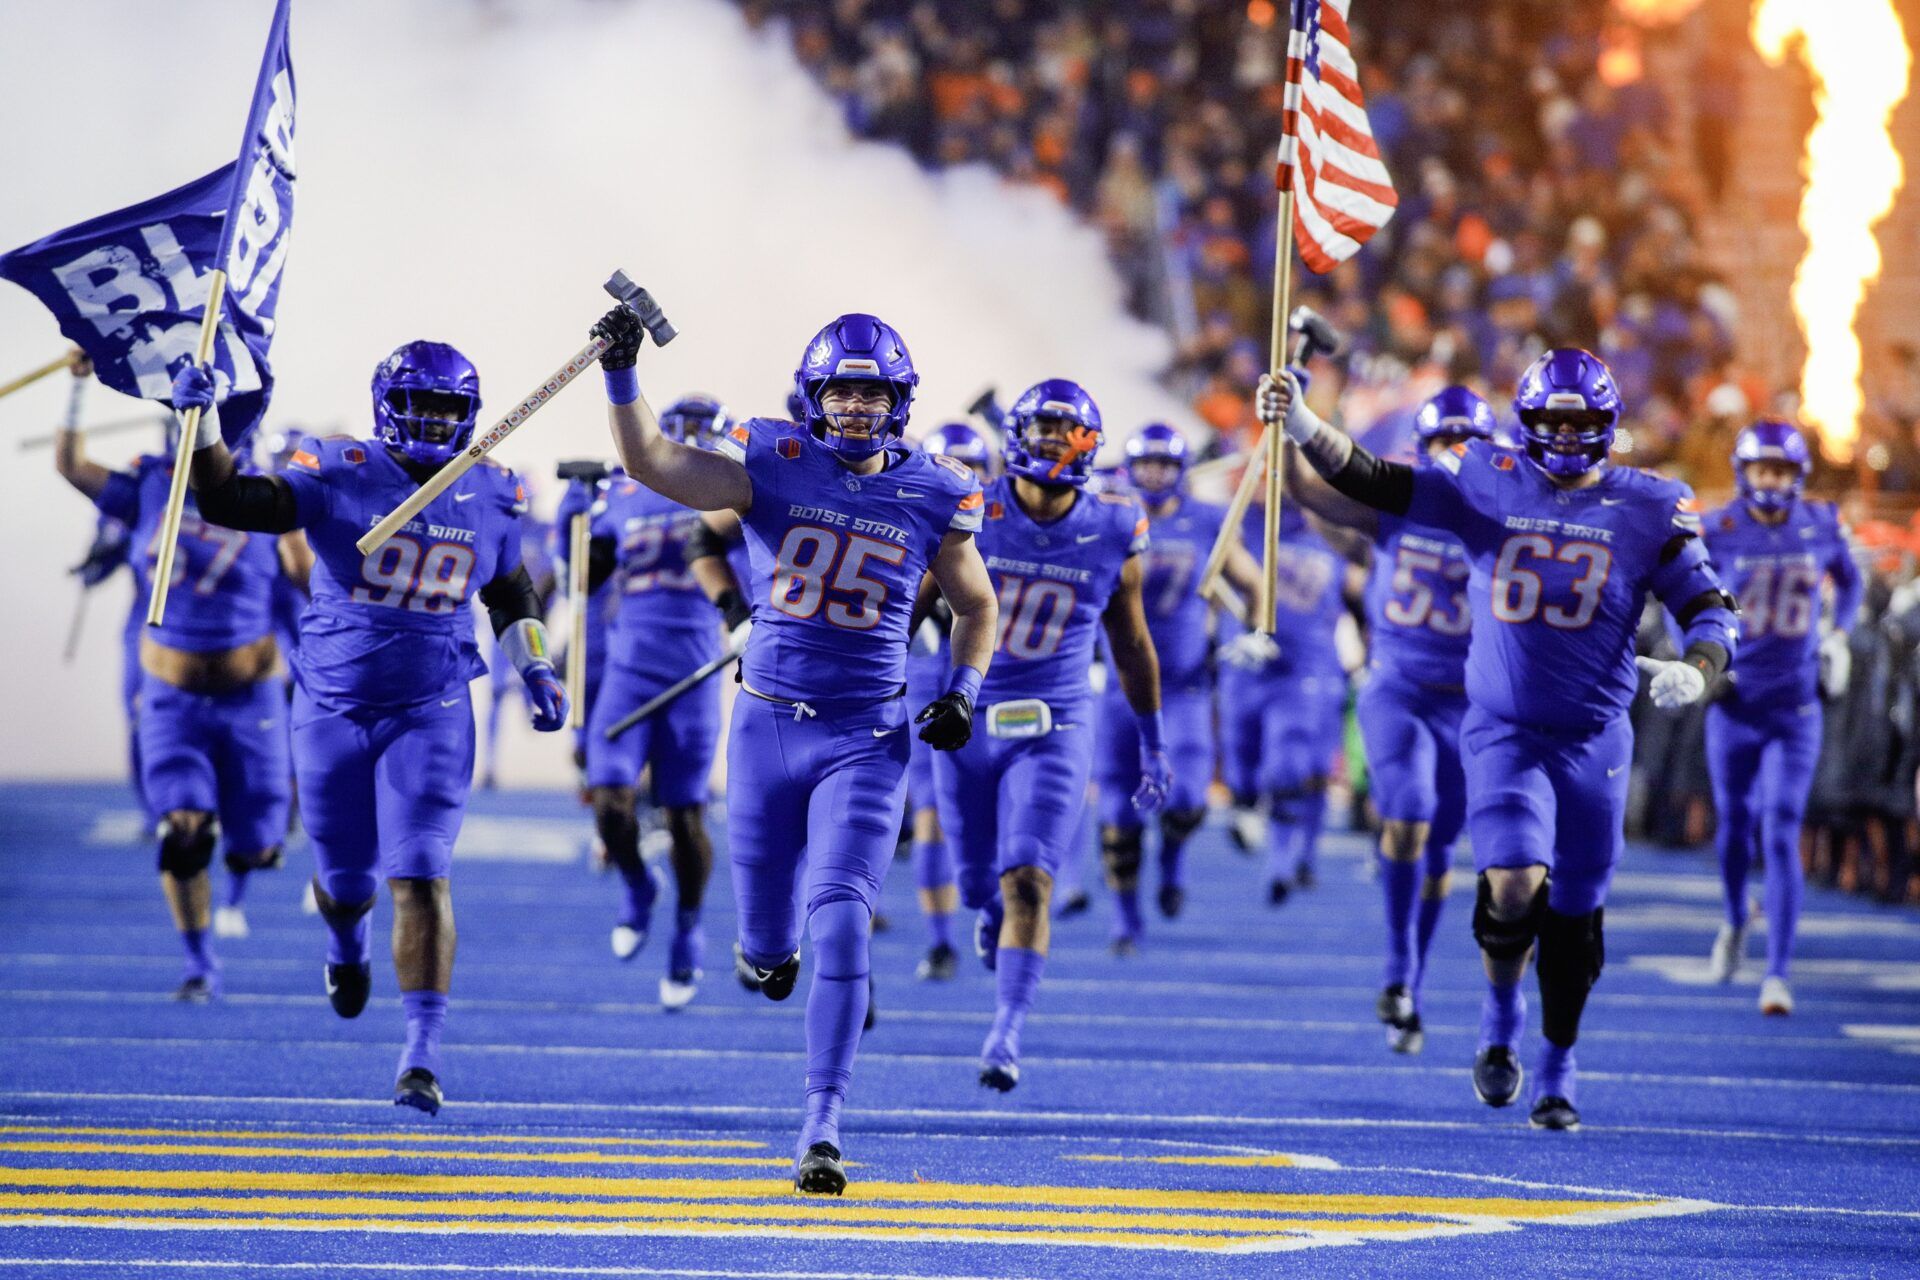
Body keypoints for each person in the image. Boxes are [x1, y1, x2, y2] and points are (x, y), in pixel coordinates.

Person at [1260, 347, 1739, 1130]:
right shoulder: (1487, 478)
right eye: (1552, 418)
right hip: (1505, 733)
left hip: (1595, 738)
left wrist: (1703, 666)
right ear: (1526, 419)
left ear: (1608, 424)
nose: (1565, 434)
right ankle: (1500, 1017)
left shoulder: (1652, 504)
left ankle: (1559, 1061)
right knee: (1513, 883)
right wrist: (1306, 422)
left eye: (1580, 421)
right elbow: (1374, 482)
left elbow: (1710, 604)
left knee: (1577, 915)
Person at [591, 306, 998, 1194]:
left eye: (873, 393)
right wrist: (623, 379)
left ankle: (822, 1124)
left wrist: (962, 691)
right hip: (768, 724)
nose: (856, 409)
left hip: (869, 732)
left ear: (900, 400)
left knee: (844, 916)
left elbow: (976, 605)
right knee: (770, 952)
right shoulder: (772, 462)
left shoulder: (936, 489)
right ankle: (767, 957)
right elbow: (651, 462)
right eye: (843, 391)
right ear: (816, 397)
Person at [174, 340, 568, 1115]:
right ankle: (344, 943)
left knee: (420, 874)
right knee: (347, 884)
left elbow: (511, 592)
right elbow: (233, 503)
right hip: (331, 705)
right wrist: (205, 427)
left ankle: (422, 1052)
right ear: (388, 406)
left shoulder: (489, 489)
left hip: (434, 708)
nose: (432, 419)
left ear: (469, 417)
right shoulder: (341, 468)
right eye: (419, 404)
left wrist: (536, 666)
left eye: (448, 409)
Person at [932, 378, 1171, 1088]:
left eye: (1065, 433)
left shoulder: (1115, 526)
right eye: (1040, 430)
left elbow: (1130, 642)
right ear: (1016, 436)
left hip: (1057, 717)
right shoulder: (975, 506)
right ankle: (984, 914)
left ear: (1089, 446)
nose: (1050, 444)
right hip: (969, 713)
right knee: (978, 881)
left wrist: (1153, 739)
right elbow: (912, 605)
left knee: (1030, 878)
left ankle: (1006, 1033)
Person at [54, 365, 308, 1000]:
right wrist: (78, 384)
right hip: (170, 697)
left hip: (251, 700)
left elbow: (309, 582)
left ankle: (248, 857)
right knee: (184, 830)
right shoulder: (150, 486)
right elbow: (71, 464)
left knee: (257, 844)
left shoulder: (267, 495)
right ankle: (200, 964)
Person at [1285, 386, 1493, 1055]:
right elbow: (1314, 496)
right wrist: (1287, 429)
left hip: (1471, 701)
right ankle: (1399, 966)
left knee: (1439, 851)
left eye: (1467, 441)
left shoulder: (1503, 518)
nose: (1454, 455)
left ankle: (1411, 980)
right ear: (1420, 447)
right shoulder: (1397, 506)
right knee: (1408, 814)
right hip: (1398, 689)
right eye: (1443, 441)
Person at [578, 395, 735, 1009]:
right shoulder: (623, 495)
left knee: (684, 816)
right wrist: (578, 524)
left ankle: (689, 929)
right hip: (629, 667)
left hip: (696, 670)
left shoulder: (735, 496)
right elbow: (583, 580)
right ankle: (638, 886)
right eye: (682, 432)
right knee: (610, 804)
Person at [1699, 420, 1860, 1015]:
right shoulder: (1719, 528)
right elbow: (1677, 593)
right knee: (1736, 824)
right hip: (1735, 702)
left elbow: (1850, 581)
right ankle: (1738, 918)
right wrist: (1698, 660)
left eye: (1782, 471)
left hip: (1795, 704)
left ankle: (1777, 972)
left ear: (1798, 476)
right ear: (1745, 473)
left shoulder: (1818, 524)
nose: (1771, 480)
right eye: (1763, 469)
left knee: (1782, 825)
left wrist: (1840, 635)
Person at [1093, 423, 1262, 943]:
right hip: (1121, 686)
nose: (1154, 474)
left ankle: (1171, 860)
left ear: (1182, 470)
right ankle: (1127, 921)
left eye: (1165, 465)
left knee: (1187, 801)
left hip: (1183, 688)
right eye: (1146, 464)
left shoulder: (1205, 521)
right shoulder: (1106, 516)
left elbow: (1254, 585)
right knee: (1118, 819)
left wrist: (1253, 631)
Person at [1216, 496, 1355, 905]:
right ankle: (1245, 810)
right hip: (1248, 665)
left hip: (1307, 671)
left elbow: (1363, 592)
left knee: (1296, 769)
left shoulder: (1336, 536)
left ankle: (1288, 861)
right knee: (1241, 765)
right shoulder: (1249, 520)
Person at [904, 421, 1000, 981]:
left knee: (991, 812)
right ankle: (940, 942)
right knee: (933, 813)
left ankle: (988, 905)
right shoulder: (907, 516)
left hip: (994, 679)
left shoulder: (1004, 524)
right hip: (924, 673)